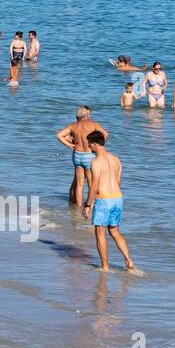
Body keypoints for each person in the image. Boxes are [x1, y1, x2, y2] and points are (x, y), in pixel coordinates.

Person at [80, 130, 141, 274]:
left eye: (90, 145)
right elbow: (118, 181)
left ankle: (105, 267)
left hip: (104, 200)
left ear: (95, 144)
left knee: (100, 233)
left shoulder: (95, 163)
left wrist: (88, 204)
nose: (89, 148)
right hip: (117, 199)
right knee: (115, 231)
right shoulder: (116, 159)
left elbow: (94, 186)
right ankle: (129, 261)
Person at [55, 106, 108, 206]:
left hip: (77, 155)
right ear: (87, 115)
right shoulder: (93, 124)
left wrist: (69, 145)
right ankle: (90, 206)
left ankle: (78, 208)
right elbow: (106, 134)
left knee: (79, 184)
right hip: (89, 155)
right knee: (91, 183)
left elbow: (59, 135)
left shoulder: (72, 126)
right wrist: (98, 146)